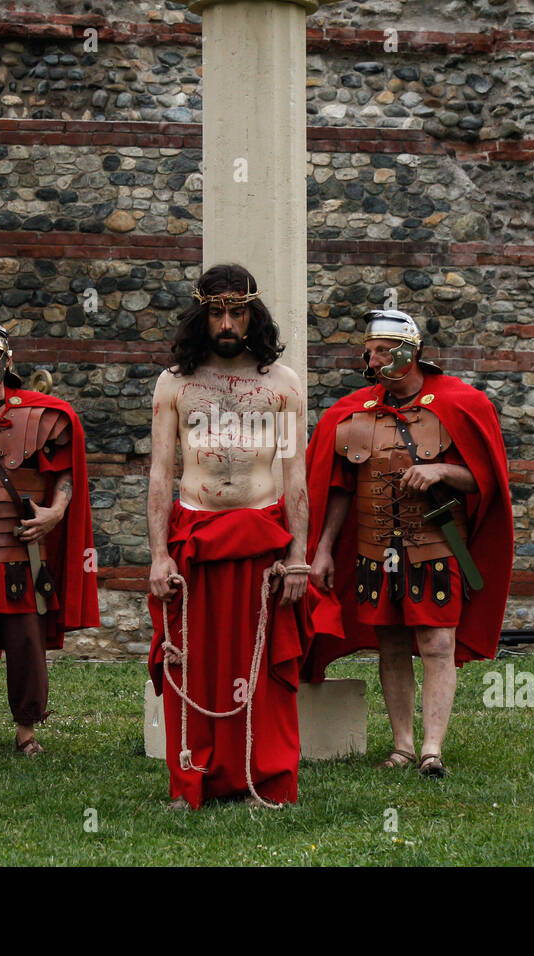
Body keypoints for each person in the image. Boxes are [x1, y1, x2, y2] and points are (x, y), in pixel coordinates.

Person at [304, 310, 513, 777]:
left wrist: (440, 470)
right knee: (391, 643)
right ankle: (402, 745)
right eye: (370, 351)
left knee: (438, 642)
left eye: (383, 351)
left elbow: (485, 479)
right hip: (375, 548)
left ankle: (432, 749)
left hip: (437, 544)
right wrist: (322, 549)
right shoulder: (353, 411)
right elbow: (337, 487)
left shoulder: (461, 403)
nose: (373, 359)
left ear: (412, 352)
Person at [147, 263, 309, 809]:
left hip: (262, 536)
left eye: (237, 310)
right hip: (194, 533)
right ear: (201, 314)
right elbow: (160, 473)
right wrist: (157, 556)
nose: (226, 321)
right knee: (190, 659)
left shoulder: (282, 384)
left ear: (253, 313)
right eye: (216, 310)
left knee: (258, 666)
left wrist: (300, 557)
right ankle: (193, 776)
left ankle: (262, 777)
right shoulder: (175, 383)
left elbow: (295, 477)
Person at [0, 320, 98, 758]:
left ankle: (26, 731)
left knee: (25, 643)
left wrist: (56, 512)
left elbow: (65, 469)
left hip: (21, 551)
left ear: (7, 359)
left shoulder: (41, 413)